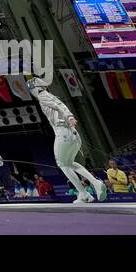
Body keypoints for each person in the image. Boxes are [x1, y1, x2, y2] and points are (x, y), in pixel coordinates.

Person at [26, 75, 107, 204]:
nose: (32, 92)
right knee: (69, 163)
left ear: (37, 88)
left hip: (63, 132)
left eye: (32, 89)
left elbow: (60, 105)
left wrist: (69, 117)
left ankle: (85, 191)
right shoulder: (48, 95)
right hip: (73, 134)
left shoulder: (43, 95)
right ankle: (93, 186)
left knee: (62, 164)